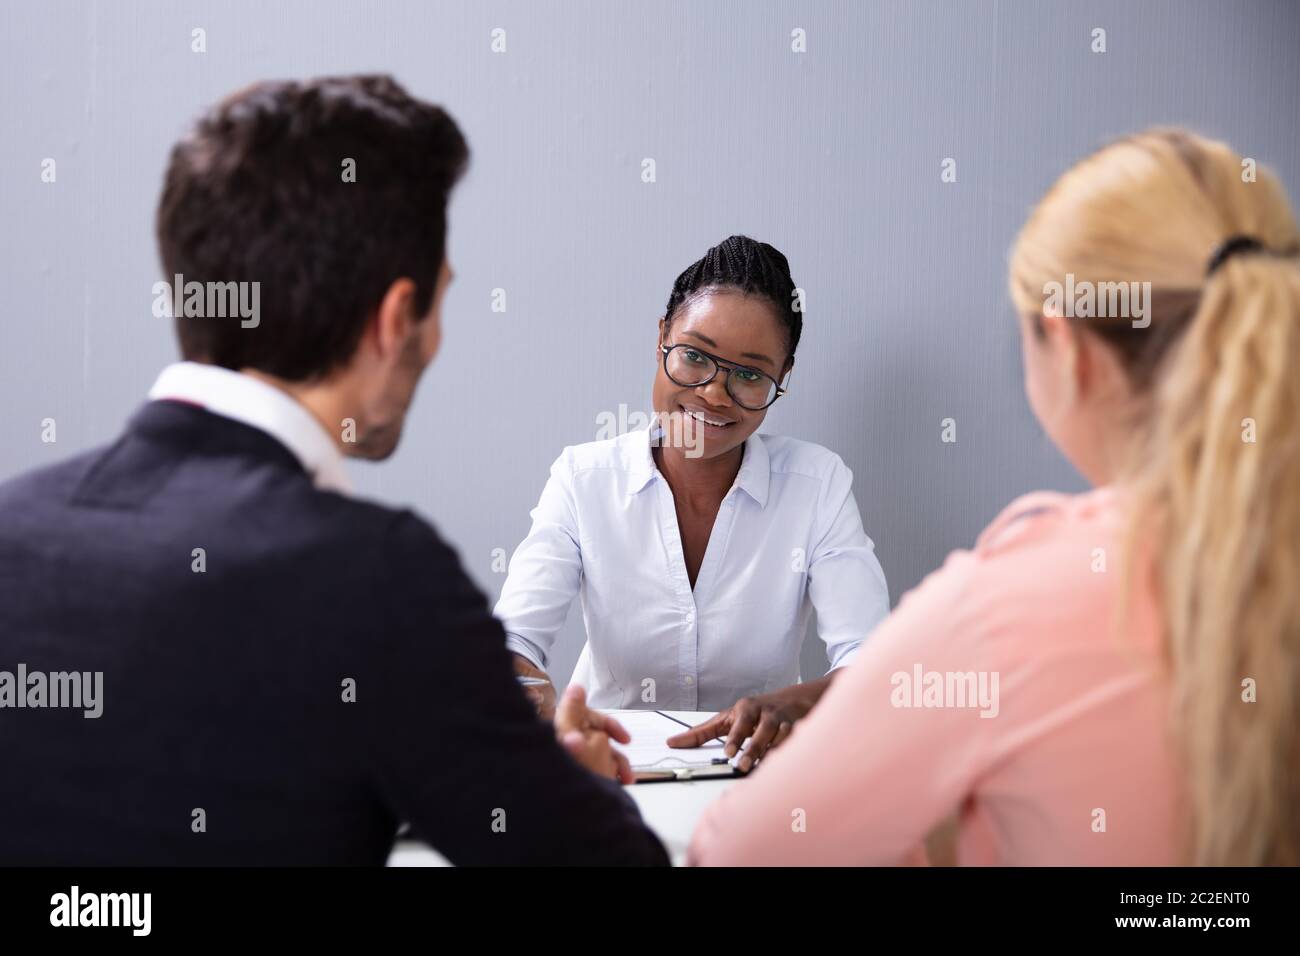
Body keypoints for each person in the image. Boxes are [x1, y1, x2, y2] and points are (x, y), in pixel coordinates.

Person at [0, 75, 667, 866]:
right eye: (440, 302)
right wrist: (579, 782)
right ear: (394, 321)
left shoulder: (14, 527)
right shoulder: (379, 578)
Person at [688, 129, 1300, 865]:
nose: (717, 390)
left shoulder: (1008, 606)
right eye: (697, 357)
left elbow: (740, 853)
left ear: (1066, 349)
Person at [496, 236, 890, 771]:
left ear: (784, 377)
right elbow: (515, 636)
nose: (713, 393)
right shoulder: (583, 479)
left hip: (757, 776)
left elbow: (872, 667)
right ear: (662, 336)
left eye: (750, 374)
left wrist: (794, 704)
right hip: (611, 772)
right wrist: (519, 683)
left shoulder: (816, 485)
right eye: (695, 356)